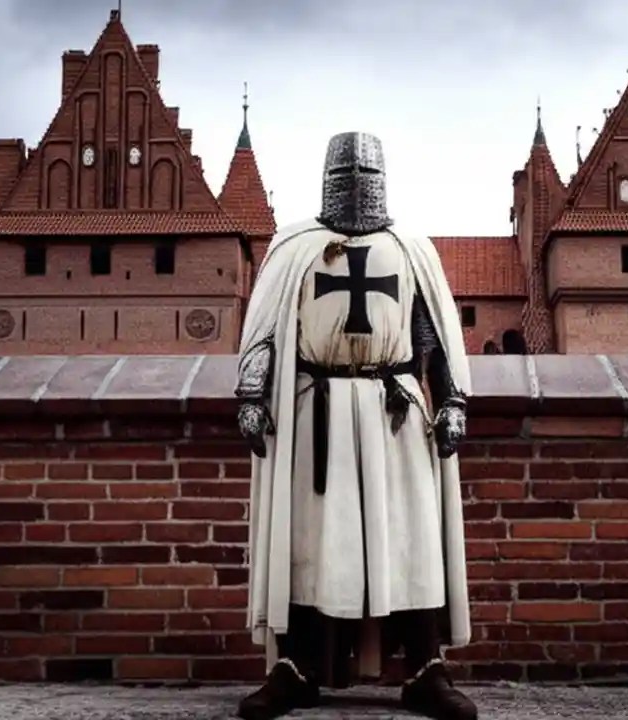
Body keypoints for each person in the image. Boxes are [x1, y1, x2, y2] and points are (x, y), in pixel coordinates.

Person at [233, 131, 476, 720]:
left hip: (395, 414)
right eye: (347, 176)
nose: (357, 186)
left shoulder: (410, 249)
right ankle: (295, 669)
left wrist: (451, 400)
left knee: (411, 541)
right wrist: (251, 393)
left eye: (365, 176)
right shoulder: (295, 248)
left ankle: (425, 668)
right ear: (328, 180)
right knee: (310, 541)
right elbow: (267, 326)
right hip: (313, 414)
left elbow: (433, 336)